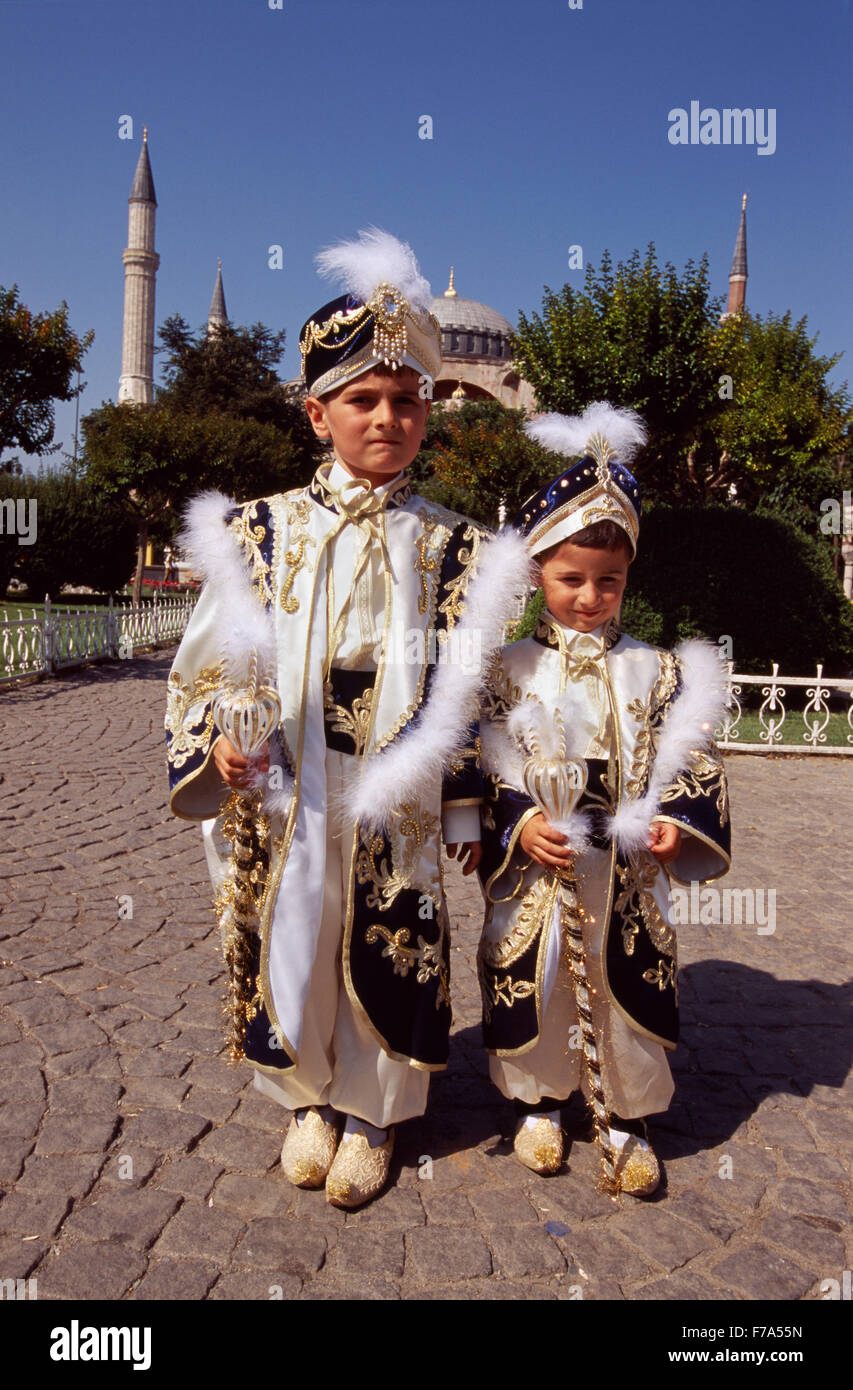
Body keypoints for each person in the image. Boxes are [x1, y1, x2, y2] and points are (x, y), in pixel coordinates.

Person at [165, 229, 528, 1208]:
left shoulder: (455, 549)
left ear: (428, 411)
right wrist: (222, 742)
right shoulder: (258, 530)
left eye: (405, 399)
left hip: (393, 795)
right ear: (318, 411)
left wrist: (465, 809)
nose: (386, 417)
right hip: (284, 784)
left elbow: (481, 689)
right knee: (289, 931)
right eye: (362, 398)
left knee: (391, 933)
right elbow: (205, 665)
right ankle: (307, 1098)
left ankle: (376, 1112)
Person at [476, 403, 731, 1196]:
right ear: (537, 574)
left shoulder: (656, 672)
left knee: (625, 973)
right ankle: (538, 1102)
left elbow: (690, 754)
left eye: (608, 581)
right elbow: (483, 752)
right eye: (570, 579)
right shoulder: (505, 666)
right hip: (540, 860)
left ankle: (625, 1113)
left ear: (628, 579)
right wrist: (517, 823)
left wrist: (672, 825)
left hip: (623, 868)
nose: (589, 597)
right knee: (538, 969)